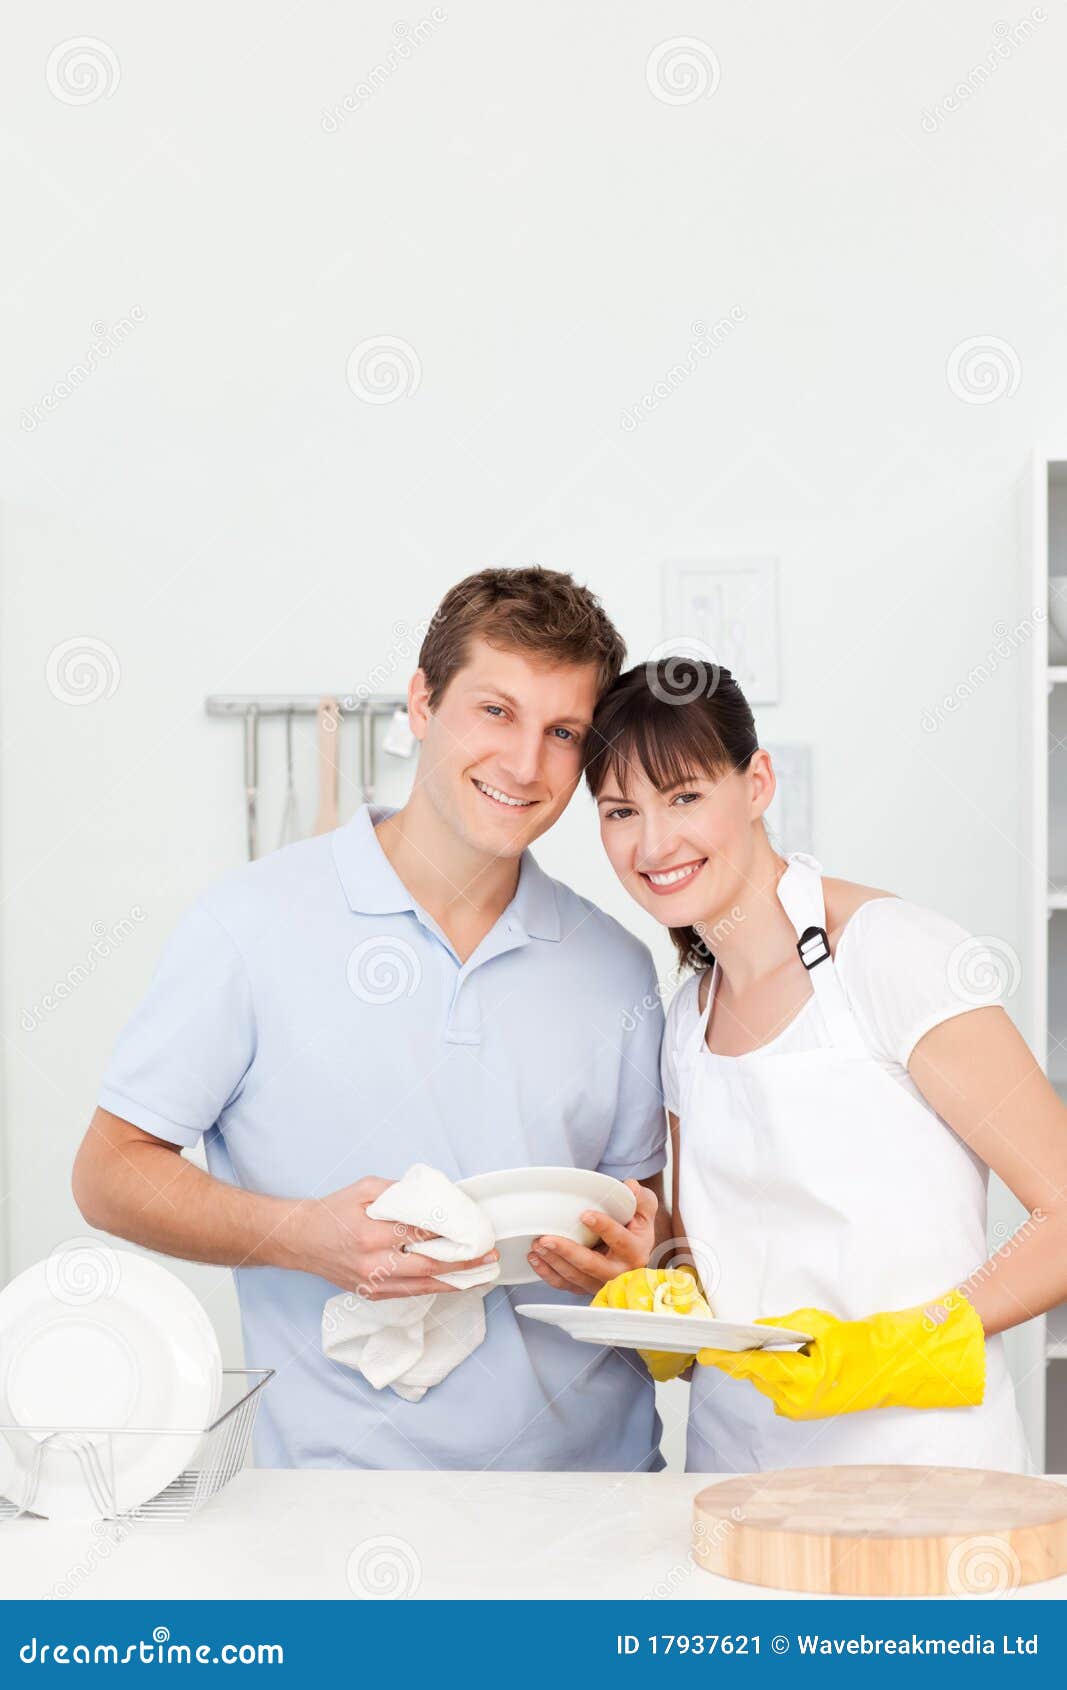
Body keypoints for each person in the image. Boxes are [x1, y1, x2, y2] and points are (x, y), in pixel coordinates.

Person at [72, 567, 669, 1472]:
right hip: (337, 1507)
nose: (524, 765)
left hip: (595, 1499)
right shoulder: (249, 925)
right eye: (495, 712)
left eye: (562, 733)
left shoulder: (616, 968)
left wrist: (637, 1264)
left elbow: (652, 1230)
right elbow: (109, 1174)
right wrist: (300, 1236)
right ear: (422, 702)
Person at [583, 656, 1067, 1474]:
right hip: (736, 1479)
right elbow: (718, 1256)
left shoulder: (889, 955)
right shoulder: (682, 1022)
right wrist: (659, 1278)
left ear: (758, 782)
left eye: (684, 796)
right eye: (620, 811)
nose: (652, 843)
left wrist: (904, 1346)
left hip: (924, 1477)